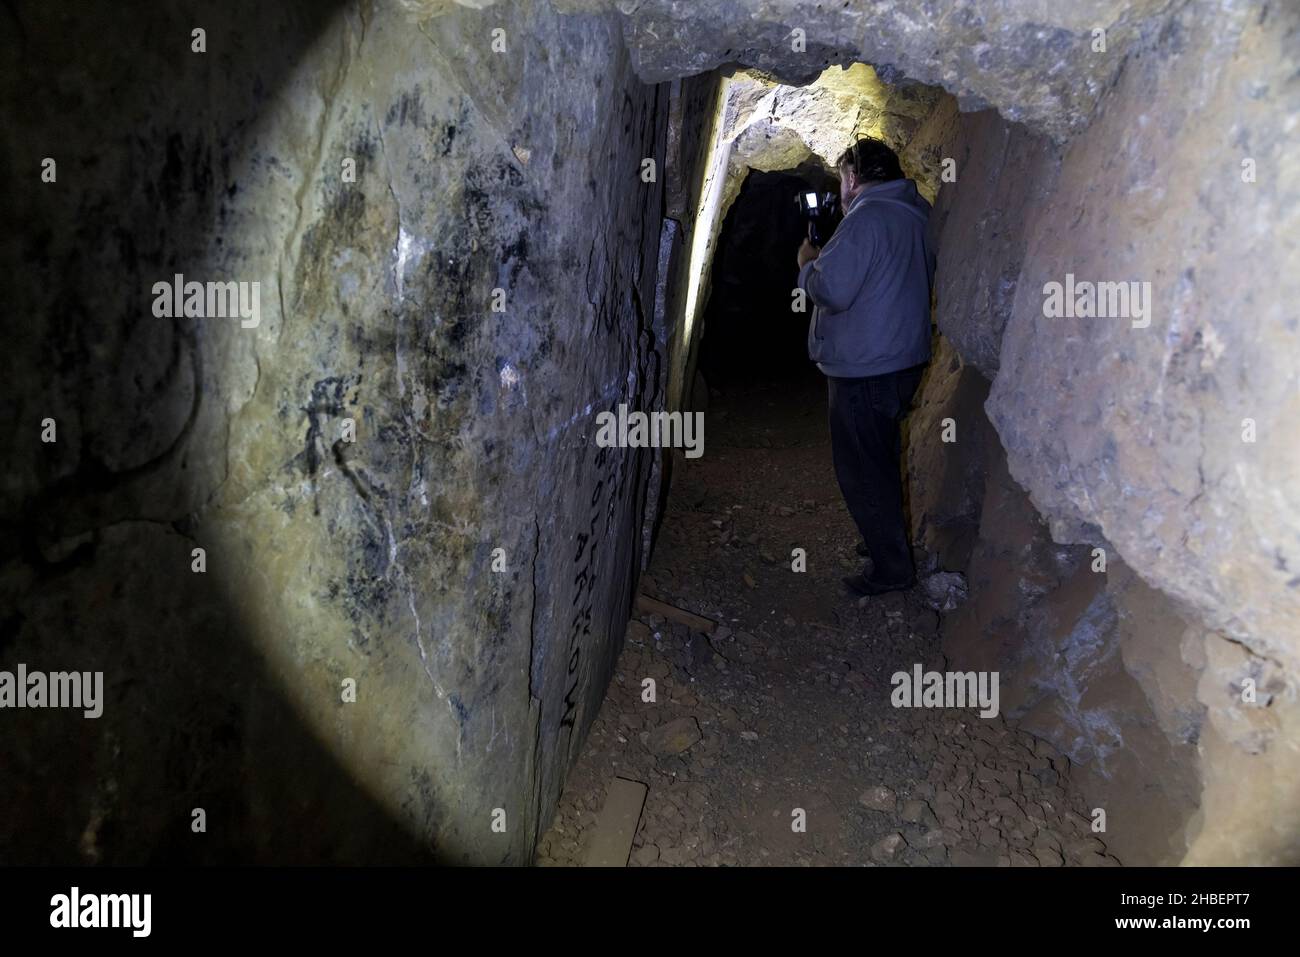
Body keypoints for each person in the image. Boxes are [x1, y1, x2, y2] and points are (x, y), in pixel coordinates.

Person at [795, 137, 935, 597]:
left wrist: (807, 266)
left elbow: (833, 289)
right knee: (879, 456)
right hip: (900, 361)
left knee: (861, 467)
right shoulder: (916, 215)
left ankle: (891, 568)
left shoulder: (866, 219)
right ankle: (882, 539)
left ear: (853, 177)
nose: (841, 188)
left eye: (842, 178)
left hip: (864, 367)